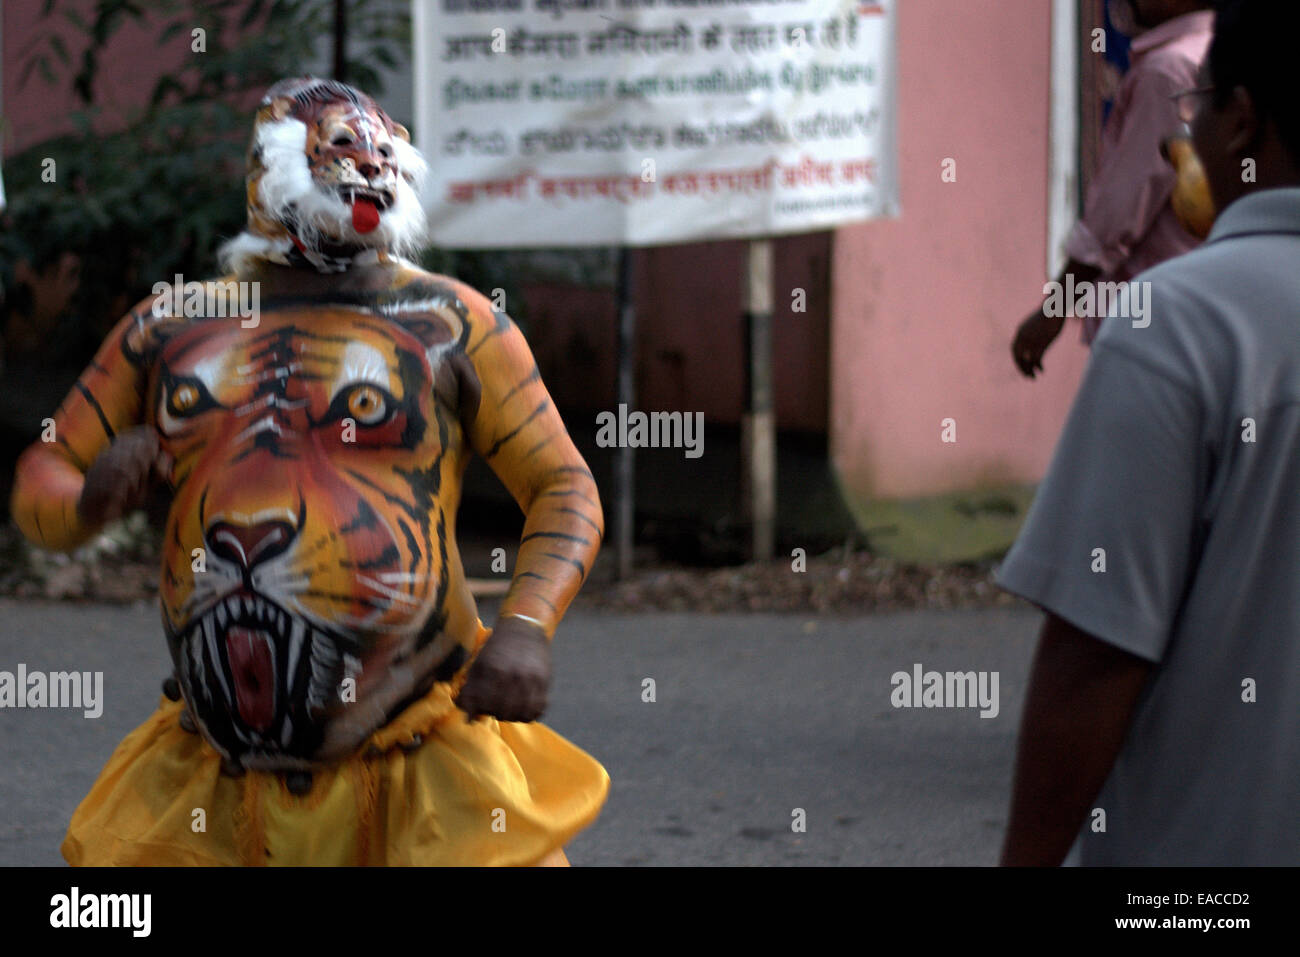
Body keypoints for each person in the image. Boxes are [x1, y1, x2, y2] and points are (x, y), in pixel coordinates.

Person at [9, 77, 608, 865]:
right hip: (216, 782)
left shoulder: (456, 322)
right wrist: (89, 499)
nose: (365, 178)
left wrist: (527, 625)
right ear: (274, 171)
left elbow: (563, 486)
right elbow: (43, 470)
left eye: (378, 159)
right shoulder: (170, 325)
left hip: (421, 776)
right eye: (342, 157)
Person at [997, 0, 1300, 866]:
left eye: (1200, 113)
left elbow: (1096, 650)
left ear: (1240, 119)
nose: (1185, 135)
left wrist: (1052, 312)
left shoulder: (1176, 325)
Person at [1012, 0, 1213, 377]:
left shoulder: (1167, 70)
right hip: (1199, 314)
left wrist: (1053, 310)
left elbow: (1120, 210)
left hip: (1153, 324)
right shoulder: (1214, 50)